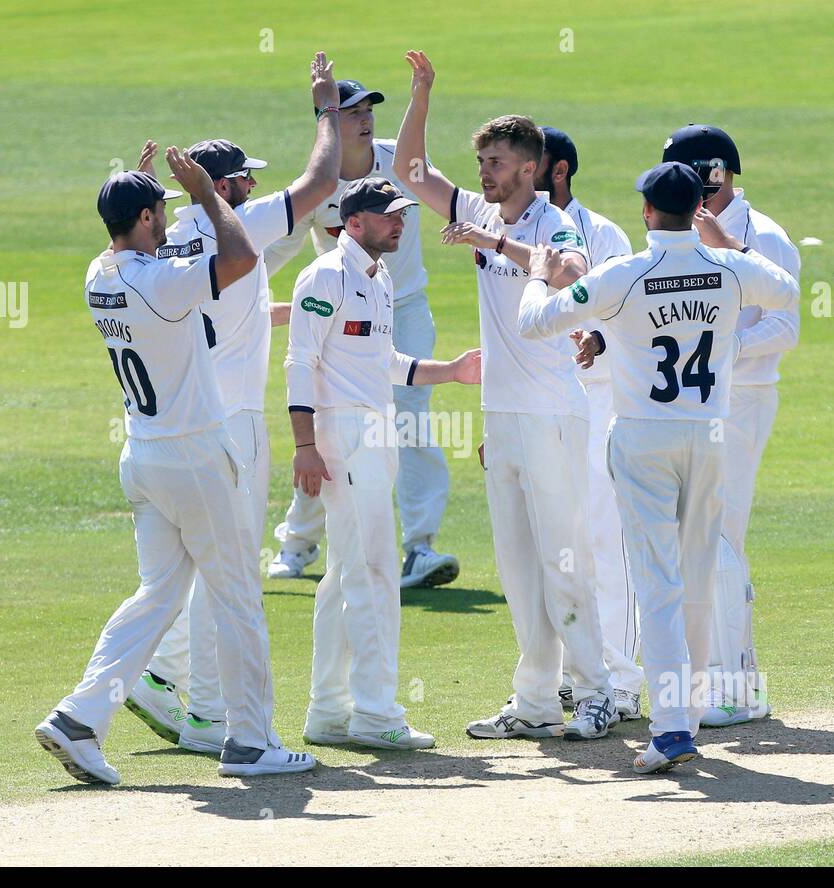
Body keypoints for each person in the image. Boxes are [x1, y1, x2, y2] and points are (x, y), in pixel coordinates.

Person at [35, 152, 315, 781]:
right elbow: (241, 258)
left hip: (143, 458)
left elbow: (152, 260)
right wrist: (209, 198)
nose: (171, 216)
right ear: (143, 216)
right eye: (161, 209)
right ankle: (249, 740)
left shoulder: (99, 273)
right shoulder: (164, 282)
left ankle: (80, 718)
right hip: (194, 456)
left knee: (158, 594)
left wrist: (157, 205)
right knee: (239, 596)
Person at [517, 161, 799, 771]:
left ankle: (671, 728)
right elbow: (787, 289)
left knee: (658, 588)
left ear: (647, 212)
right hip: (710, 434)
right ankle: (687, 717)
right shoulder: (728, 267)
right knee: (696, 578)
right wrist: (722, 240)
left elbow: (535, 324)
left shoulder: (625, 273)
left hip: (644, 438)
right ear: (697, 208)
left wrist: (539, 277)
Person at [122, 53, 343, 752]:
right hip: (235, 425)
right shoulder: (241, 226)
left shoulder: (159, 245)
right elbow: (325, 180)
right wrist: (326, 110)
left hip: (177, 425)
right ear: (222, 185)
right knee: (233, 575)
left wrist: (140, 190)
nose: (254, 184)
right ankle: (209, 717)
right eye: (245, 176)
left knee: (190, 567)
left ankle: (162, 677)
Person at [393, 50, 615, 741]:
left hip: (553, 414)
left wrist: (494, 240)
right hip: (506, 414)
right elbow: (411, 173)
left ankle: (597, 692)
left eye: (495, 163)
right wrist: (422, 93)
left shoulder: (552, 223)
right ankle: (536, 702)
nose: (483, 173)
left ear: (529, 167)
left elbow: (571, 273)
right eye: (481, 161)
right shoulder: (474, 207)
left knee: (565, 556)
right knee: (519, 566)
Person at [286, 178, 481, 748]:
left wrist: (449, 370)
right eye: (388, 214)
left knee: (347, 573)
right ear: (355, 223)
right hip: (341, 434)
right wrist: (304, 445)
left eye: (402, 213)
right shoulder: (325, 276)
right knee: (372, 571)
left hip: (373, 430)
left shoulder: (379, 276)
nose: (400, 222)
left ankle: (328, 711)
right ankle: (375, 713)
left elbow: (383, 360)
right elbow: (301, 362)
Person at [264, 78, 460, 590]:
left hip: (406, 307)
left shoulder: (399, 162)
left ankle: (419, 548)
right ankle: (298, 542)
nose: (365, 117)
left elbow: (446, 194)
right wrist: (222, 299)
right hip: (339, 318)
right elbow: (266, 256)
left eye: (369, 108)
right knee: (329, 427)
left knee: (410, 418)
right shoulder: (316, 185)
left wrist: (420, 95)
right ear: (328, 120)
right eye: (351, 111)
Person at [661, 125, 801, 727]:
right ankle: (716, 681)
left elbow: (785, 327)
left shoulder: (762, 236)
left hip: (741, 399)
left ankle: (739, 688)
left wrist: (721, 349)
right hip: (694, 404)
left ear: (713, 176)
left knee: (720, 537)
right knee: (695, 537)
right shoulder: (683, 235)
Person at [535, 125, 644, 721]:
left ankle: (623, 683)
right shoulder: (513, 236)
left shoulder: (602, 234)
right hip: (539, 409)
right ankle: (568, 681)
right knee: (554, 547)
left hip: (600, 404)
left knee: (604, 540)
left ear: (559, 171)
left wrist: (597, 341)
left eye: (534, 164)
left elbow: (627, 316)